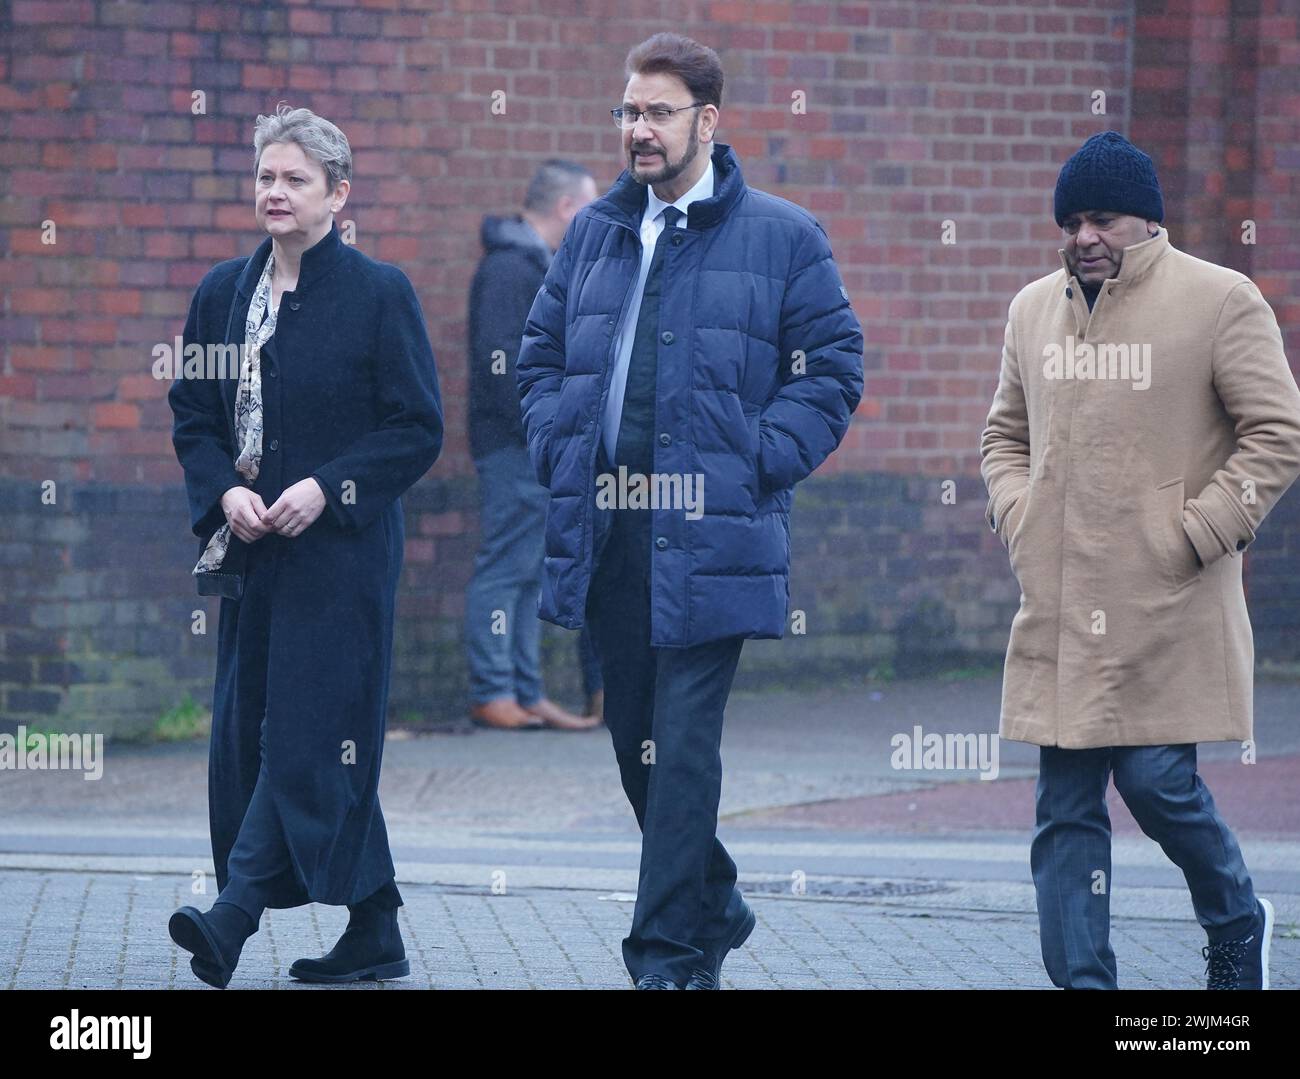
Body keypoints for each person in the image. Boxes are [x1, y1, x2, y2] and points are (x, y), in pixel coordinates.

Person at [517, 33, 863, 989]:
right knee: (635, 747)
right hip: (610, 528)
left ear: (707, 122)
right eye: (629, 111)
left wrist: (756, 461)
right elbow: (540, 357)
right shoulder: (594, 231)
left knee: (683, 750)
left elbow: (832, 371)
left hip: (715, 535)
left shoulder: (783, 237)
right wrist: (559, 447)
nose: (638, 129)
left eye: (658, 112)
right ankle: (715, 896)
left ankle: (666, 955)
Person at [980, 130, 1300, 990]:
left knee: (1158, 782)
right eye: (1072, 220)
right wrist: (1020, 516)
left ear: (1147, 222)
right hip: (1058, 602)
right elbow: (1003, 437)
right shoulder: (1030, 309)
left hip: (1168, 598)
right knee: (1065, 809)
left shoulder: (1220, 299)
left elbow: (1278, 433)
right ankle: (1086, 985)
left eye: (1104, 219)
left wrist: (1195, 533)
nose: (1084, 235)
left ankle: (1236, 916)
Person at [166, 104, 443, 988]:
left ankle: (231, 917)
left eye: (294, 179)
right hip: (252, 558)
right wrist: (226, 492)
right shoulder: (220, 294)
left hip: (343, 561)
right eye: (265, 177)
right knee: (263, 737)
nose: (275, 192)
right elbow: (194, 418)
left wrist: (328, 487)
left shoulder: (379, 293)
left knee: (306, 735)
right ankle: (376, 928)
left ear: (338, 193)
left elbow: (416, 428)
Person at [465, 160, 603, 731]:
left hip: (533, 446)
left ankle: (524, 691)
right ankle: (493, 690)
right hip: (515, 445)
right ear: (568, 208)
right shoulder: (509, 269)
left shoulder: (532, 266)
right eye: (588, 209)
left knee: (527, 570)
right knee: (506, 568)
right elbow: (501, 365)